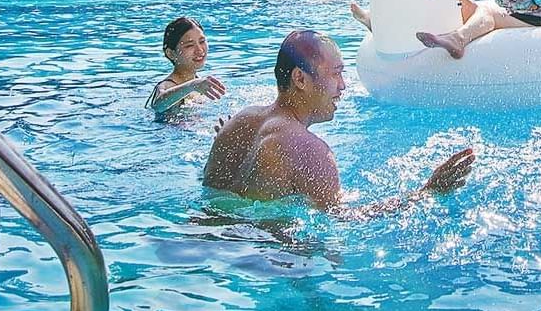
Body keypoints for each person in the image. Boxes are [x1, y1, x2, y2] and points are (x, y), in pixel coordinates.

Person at [203, 30, 476, 211]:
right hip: (264, 261)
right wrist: (427, 192)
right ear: (300, 79)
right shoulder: (307, 149)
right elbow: (344, 219)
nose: (343, 86)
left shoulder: (238, 122)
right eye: (335, 74)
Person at [145, 17, 228, 115]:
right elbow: (158, 105)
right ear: (171, 54)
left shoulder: (202, 84)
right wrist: (193, 85)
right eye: (189, 45)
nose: (200, 50)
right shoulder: (168, 85)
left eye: (202, 41)